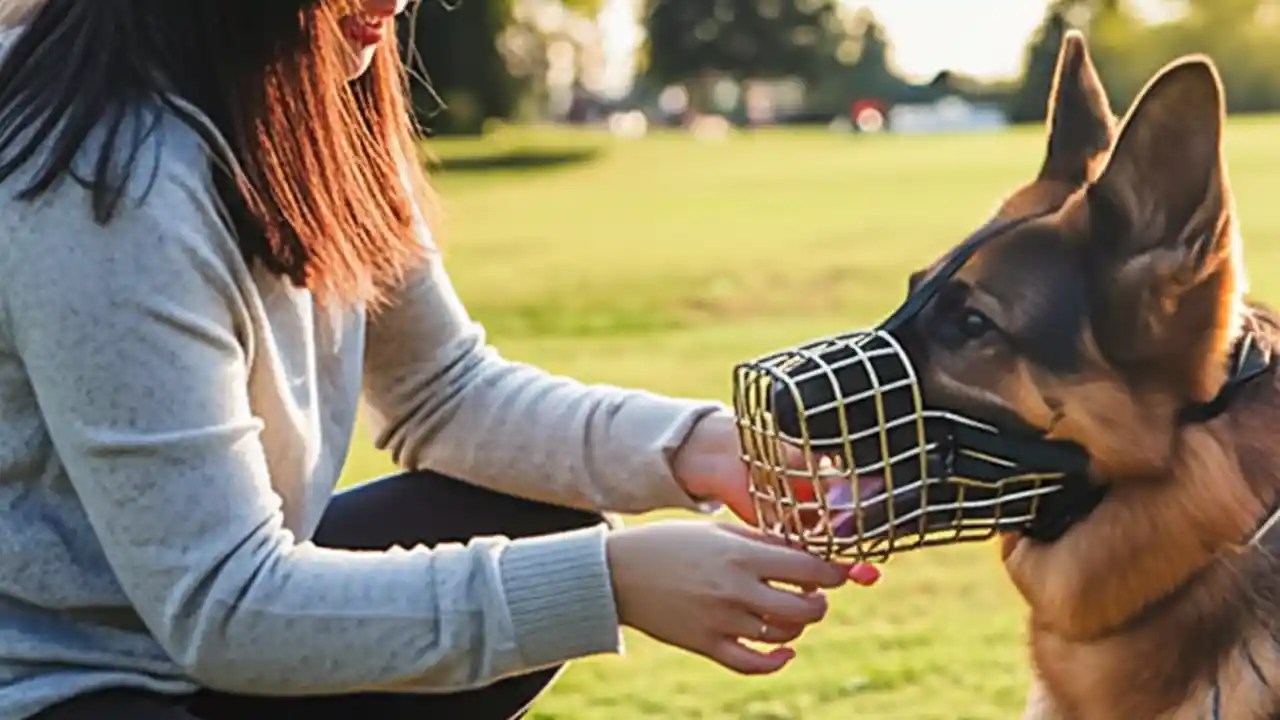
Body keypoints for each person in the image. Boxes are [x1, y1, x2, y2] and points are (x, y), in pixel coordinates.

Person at [0, 1, 881, 718]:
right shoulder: (102, 180)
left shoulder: (312, 105)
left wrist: (697, 449)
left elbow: (442, 390)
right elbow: (222, 605)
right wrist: (608, 585)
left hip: (190, 640)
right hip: (61, 680)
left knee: (546, 521)